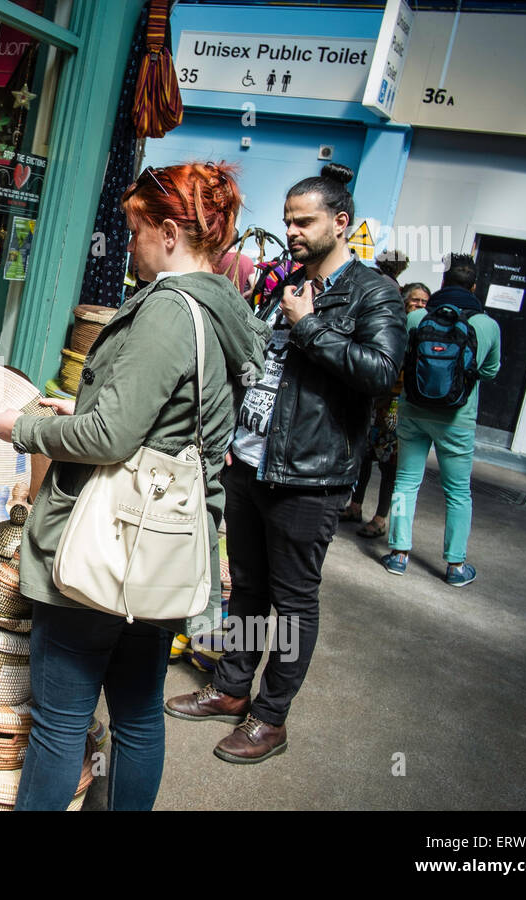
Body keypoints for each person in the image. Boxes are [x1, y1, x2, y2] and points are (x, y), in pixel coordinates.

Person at [0, 162, 270, 810]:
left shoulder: (169, 310)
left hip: (107, 544)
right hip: (163, 542)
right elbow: (166, 426)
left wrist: (19, 428)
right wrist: (76, 416)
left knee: (59, 727)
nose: (129, 246)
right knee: (138, 716)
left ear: (169, 232)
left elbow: (111, 438)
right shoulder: (222, 311)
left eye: (136, 231)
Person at [165, 163, 405, 764]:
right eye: (287, 220)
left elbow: (380, 374)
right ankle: (230, 690)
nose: (293, 230)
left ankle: (272, 719)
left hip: (311, 476)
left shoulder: (372, 293)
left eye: (305, 221)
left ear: (341, 222)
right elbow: (261, 365)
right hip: (250, 462)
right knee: (245, 588)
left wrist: (310, 327)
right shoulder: (285, 282)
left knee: (293, 601)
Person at [383, 256, 500, 586]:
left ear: (444, 284)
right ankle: (455, 566)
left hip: (414, 410)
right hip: (457, 419)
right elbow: (490, 371)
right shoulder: (488, 326)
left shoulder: (418, 316)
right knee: (458, 492)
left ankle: (398, 555)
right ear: (475, 287)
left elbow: (402, 355)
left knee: (406, 481)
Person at [342, 250, 408, 538]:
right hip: (385, 399)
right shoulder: (394, 296)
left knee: (377, 460)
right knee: (381, 461)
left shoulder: (372, 288)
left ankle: (369, 512)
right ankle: (373, 514)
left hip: (383, 399)